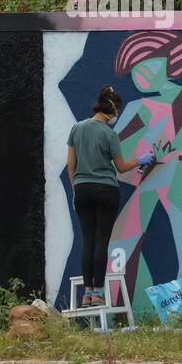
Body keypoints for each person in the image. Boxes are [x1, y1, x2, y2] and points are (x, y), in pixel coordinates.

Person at [66, 86, 155, 308]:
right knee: (101, 241)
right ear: (112, 111)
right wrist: (141, 159)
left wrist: (75, 190)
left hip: (82, 189)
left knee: (87, 241)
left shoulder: (77, 128)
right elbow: (122, 167)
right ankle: (97, 293)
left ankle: (86, 294)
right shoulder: (110, 134)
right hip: (106, 190)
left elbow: (71, 165)